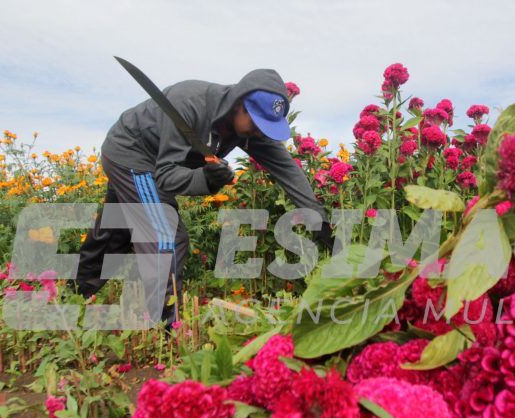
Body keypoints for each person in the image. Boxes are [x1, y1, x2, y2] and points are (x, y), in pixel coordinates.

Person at [74, 68, 333, 329]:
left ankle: (77, 293)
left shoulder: (247, 126)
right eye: (256, 123)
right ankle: (163, 328)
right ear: (239, 104)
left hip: (149, 160)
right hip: (133, 152)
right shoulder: (189, 103)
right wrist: (207, 179)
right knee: (166, 236)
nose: (258, 131)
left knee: (114, 232)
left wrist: (316, 217)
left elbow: (285, 167)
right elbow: (166, 176)